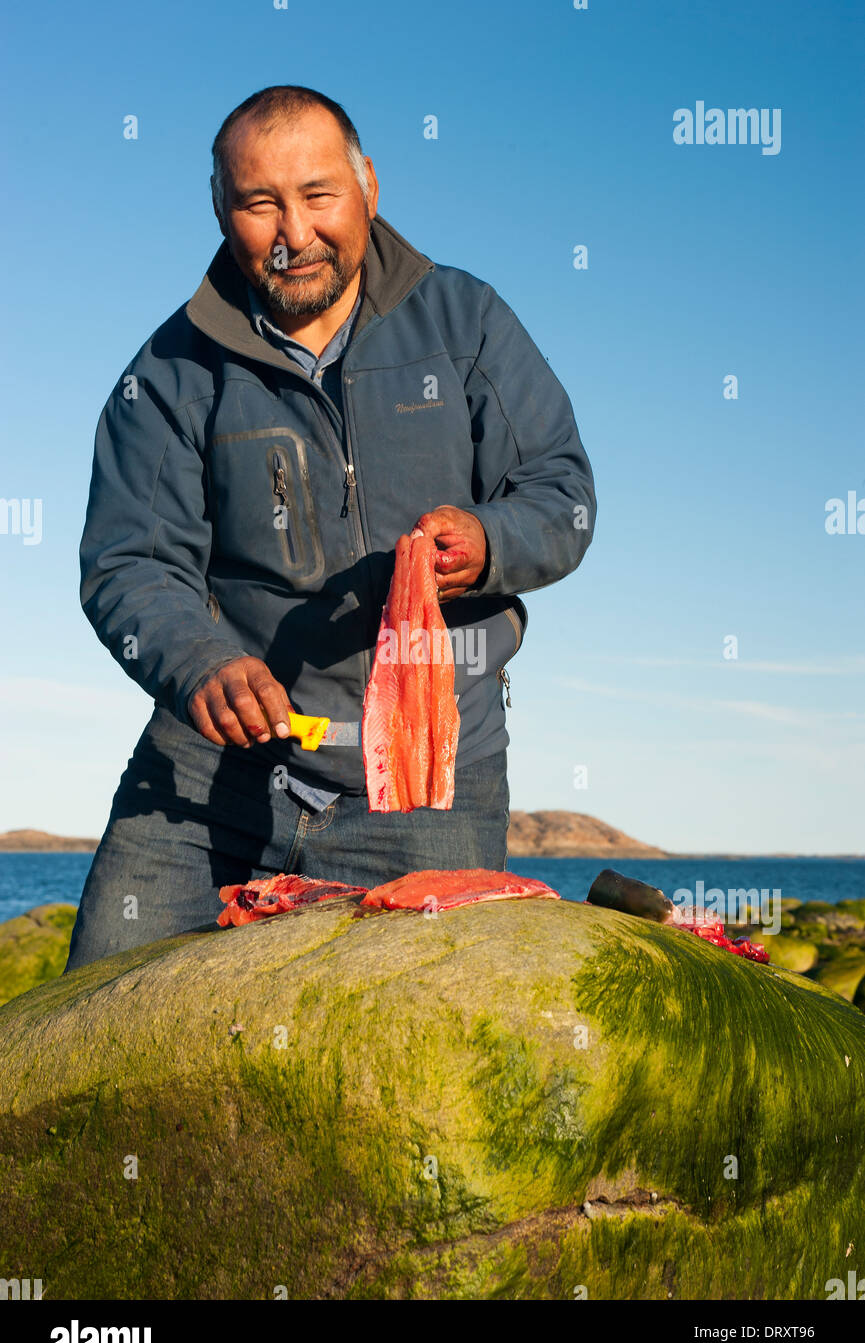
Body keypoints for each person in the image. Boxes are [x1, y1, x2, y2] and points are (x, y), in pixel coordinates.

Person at [64, 85, 596, 971]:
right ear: (221, 209)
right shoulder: (165, 372)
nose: (294, 232)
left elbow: (561, 494)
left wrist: (490, 540)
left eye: (317, 196)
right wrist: (199, 663)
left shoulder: (467, 322)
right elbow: (126, 563)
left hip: (428, 787)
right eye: (259, 202)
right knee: (91, 1018)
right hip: (207, 779)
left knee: (417, 1066)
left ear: (368, 187)